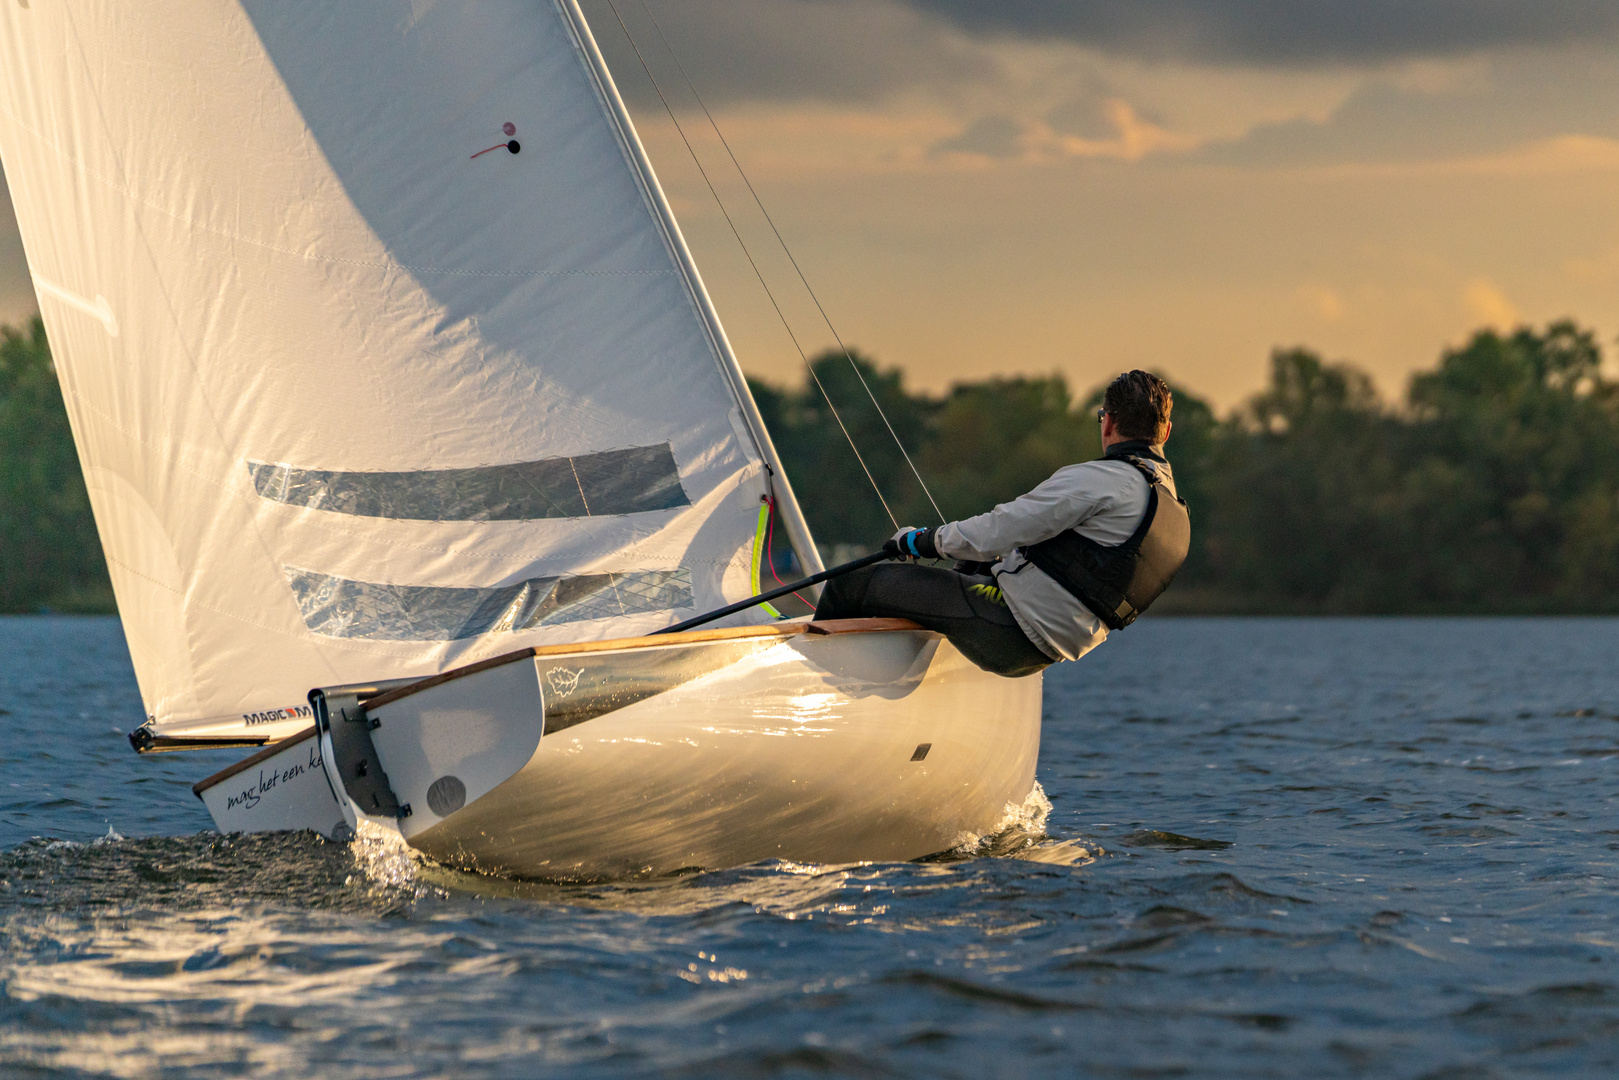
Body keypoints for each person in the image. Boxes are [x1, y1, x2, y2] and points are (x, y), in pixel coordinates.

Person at [813, 369, 1190, 676]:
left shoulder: (1105, 480)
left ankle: (811, 690)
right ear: (1166, 432)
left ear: (1109, 424)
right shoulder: (1172, 509)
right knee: (968, 568)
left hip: (1008, 628)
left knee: (849, 585)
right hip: (1045, 649)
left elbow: (1001, 529)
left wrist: (922, 541)